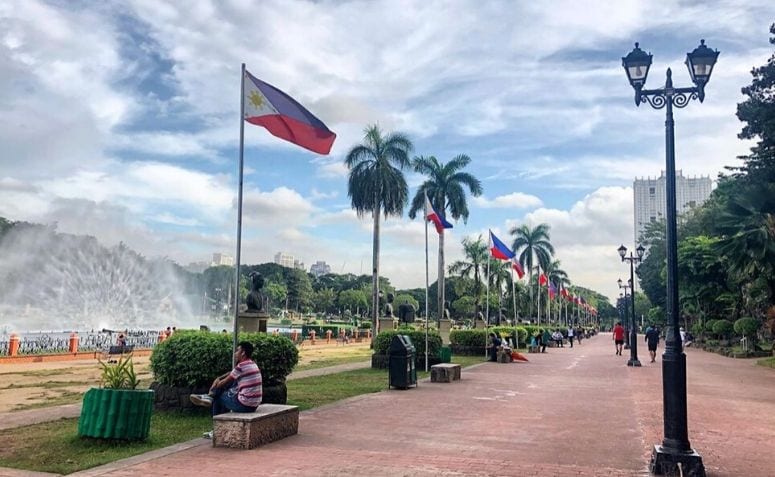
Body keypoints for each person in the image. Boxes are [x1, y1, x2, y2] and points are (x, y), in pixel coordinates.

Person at [190, 341, 263, 438]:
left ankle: (215, 429)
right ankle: (209, 397)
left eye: (237, 351)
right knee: (229, 389)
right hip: (254, 404)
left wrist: (216, 384)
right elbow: (231, 373)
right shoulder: (252, 364)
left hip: (245, 405)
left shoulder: (241, 367)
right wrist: (219, 378)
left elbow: (223, 383)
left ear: (243, 353)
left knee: (219, 398)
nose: (235, 353)